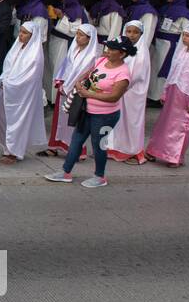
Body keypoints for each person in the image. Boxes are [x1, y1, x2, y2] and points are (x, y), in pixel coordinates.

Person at [44, 37, 133, 188]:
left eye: (112, 49)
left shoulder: (123, 73)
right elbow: (87, 74)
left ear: (122, 54)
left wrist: (88, 94)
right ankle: (65, 172)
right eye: (107, 48)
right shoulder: (101, 61)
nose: (107, 51)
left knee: (98, 145)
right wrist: (78, 83)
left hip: (106, 116)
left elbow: (114, 97)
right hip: (87, 110)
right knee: (77, 140)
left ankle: (100, 176)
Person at [144, 22, 189, 167]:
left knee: (181, 127)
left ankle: (174, 156)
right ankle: (155, 150)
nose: (184, 39)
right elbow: (172, 72)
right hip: (174, 92)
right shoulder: (181, 51)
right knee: (165, 124)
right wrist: (165, 91)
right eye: (183, 35)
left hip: (188, 95)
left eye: (188, 36)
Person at [0, 20, 46, 164]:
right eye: (21, 32)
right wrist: (5, 80)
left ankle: (15, 152)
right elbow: (8, 66)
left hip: (23, 95)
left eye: (25, 33)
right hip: (9, 89)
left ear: (32, 36)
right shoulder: (17, 47)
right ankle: (7, 148)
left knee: (18, 121)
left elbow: (29, 77)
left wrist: (10, 84)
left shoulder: (35, 55)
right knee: (3, 119)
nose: (21, 35)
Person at [42, 23, 98, 158]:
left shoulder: (92, 56)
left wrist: (73, 85)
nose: (77, 38)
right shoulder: (73, 49)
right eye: (77, 34)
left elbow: (86, 74)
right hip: (64, 88)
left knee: (74, 121)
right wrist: (60, 80)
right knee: (60, 120)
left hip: (77, 91)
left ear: (89, 38)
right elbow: (65, 66)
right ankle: (55, 146)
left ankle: (77, 151)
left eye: (81, 35)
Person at [105, 21, 152, 164]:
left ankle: (133, 152)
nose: (131, 35)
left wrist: (120, 85)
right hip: (121, 90)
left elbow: (136, 74)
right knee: (117, 121)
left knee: (131, 122)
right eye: (129, 31)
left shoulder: (142, 51)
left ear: (141, 34)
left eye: (135, 32)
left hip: (133, 93)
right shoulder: (125, 48)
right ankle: (114, 149)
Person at [149, 0, 189, 105]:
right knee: (154, 69)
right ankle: (152, 95)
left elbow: (186, 33)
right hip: (158, 43)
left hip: (170, 45)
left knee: (164, 71)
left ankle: (161, 97)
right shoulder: (164, 8)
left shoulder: (185, 14)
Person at [46, 0, 87, 102]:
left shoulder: (76, 10)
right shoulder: (65, 7)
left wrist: (61, 17)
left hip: (63, 45)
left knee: (59, 69)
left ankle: (56, 99)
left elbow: (74, 31)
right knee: (52, 68)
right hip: (56, 42)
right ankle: (50, 96)